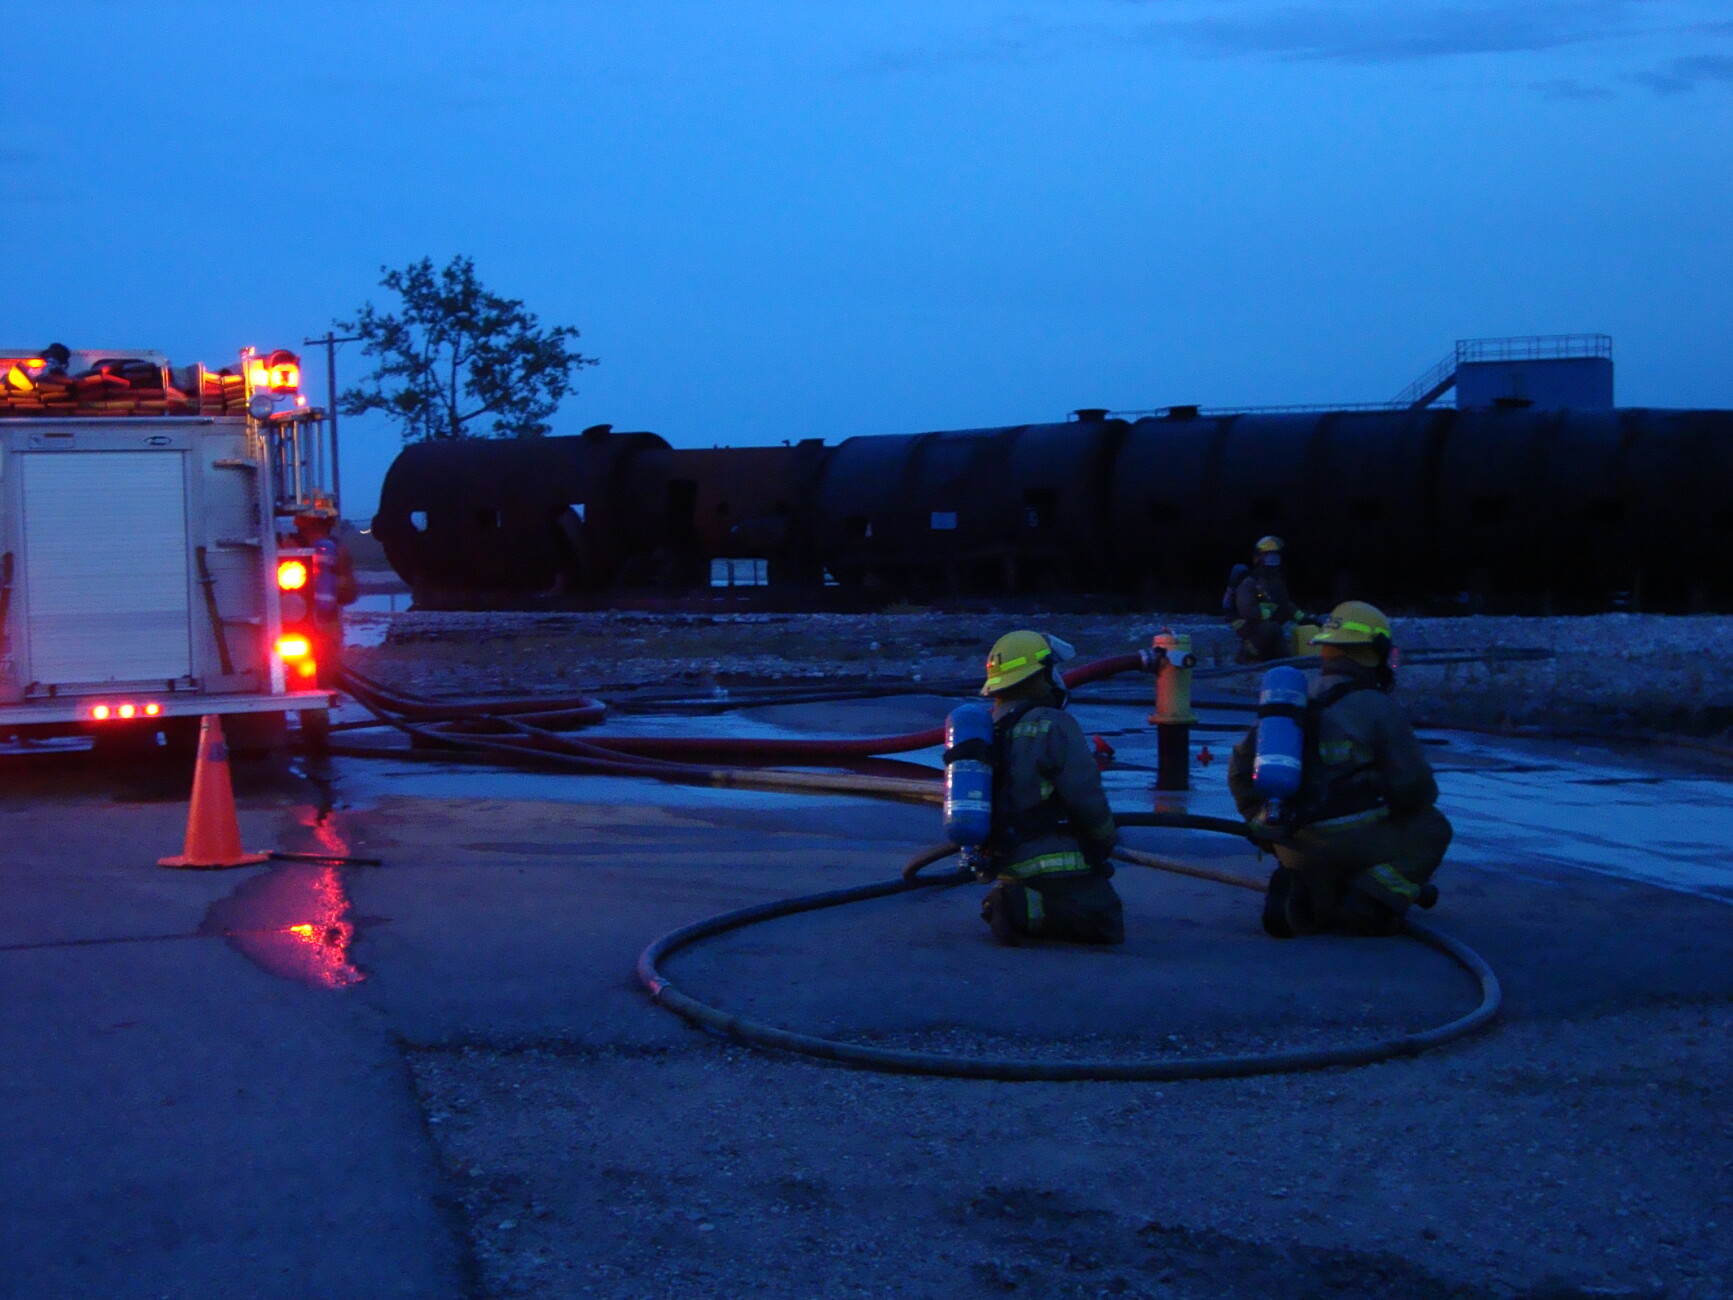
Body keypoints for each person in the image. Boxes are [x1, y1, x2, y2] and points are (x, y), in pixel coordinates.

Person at [1227, 601, 1451, 938]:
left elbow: (1239, 772)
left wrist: (1265, 829)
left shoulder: (1288, 704)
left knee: (1325, 881)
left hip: (1293, 843)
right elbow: (1414, 790)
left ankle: (1303, 900)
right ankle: (1371, 900)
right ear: (1374, 652)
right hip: (1355, 840)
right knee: (1434, 828)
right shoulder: (1378, 707)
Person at [975, 630, 1123, 945]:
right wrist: (1105, 838)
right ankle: (1016, 907)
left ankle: (1015, 897)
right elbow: (1086, 796)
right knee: (1106, 920)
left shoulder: (988, 727)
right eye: (1052, 669)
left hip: (1004, 859)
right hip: (1047, 860)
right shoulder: (1052, 724)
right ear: (1040, 674)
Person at [291, 495, 358, 684]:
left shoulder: (285, 546)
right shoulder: (337, 550)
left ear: (299, 520)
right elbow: (349, 595)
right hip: (325, 629)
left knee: (311, 685)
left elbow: (348, 593)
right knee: (319, 685)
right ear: (329, 520)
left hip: (295, 629)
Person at [1232, 536, 1299, 663]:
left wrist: (1303, 617)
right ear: (1259, 559)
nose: (1273, 563)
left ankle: (1278, 659)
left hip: (1269, 632)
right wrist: (1267, 612)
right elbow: (1246, 611)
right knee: (1273, 628)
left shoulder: (1277, 584)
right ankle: (1248, 657)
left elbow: (1285, 605)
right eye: (1269, 558)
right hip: (1251, 634)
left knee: (1276, 629)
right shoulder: (1250, 583)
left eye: (1275, 558)